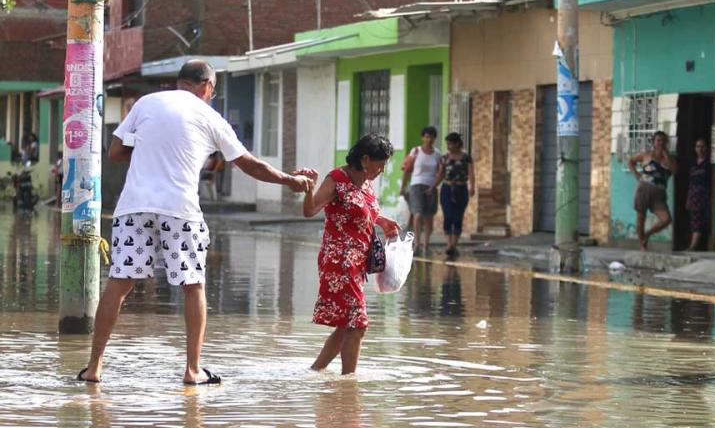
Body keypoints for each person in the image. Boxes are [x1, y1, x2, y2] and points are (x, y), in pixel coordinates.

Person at [76, 59, 315, 385]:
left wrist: (151, 150)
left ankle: (94, 368)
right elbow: (250, 165)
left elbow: (115, 151)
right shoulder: (209, 116)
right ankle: (192, 370)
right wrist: (291, 181)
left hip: (134, 208)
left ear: (180, 81)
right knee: (193, 286)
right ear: (207, 86)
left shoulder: (147, 102)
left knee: (118, 284)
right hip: (180, 211)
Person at [302, 133, 401, 375]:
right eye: (380, 164)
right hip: (339, 261)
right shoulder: (338, 178)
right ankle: (349, 385)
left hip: (358, 262)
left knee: (346, 325)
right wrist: (309, 189)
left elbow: (361, 212)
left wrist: (382, 221)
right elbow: (310, 210)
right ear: (365, 159)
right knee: (357, 325)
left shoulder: (365, 182)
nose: (382, 170)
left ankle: (315, 371)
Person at [628, 131, 678, 251]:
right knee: (641, 217)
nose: (660, 143)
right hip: (644, 189)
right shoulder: (646, 155)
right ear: (654, 142)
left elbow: (676, 171)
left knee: (666, 219)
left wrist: (667, 159)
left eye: (663, 141)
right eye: (658, 140)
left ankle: (647, 235)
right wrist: (636, 174)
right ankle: (642, 245)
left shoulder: (670, 158)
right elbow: (631, 161)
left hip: (659, 194)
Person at [431, 132, 474, 258]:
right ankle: (449, 244)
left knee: (458, 217)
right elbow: (440, 174)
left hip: (461, 189)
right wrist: (433, 187)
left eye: (450, 143)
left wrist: (472, 187)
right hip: (447, 189)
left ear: (457, 144)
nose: (449, 146)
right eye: (447, 144)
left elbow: (471, 173)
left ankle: (454, 245)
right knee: (448, 216)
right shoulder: (444, 158)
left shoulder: (466, 158)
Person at [400, 126, 441, 254]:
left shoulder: (437, 154)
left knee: (429, 216)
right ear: (423, 138)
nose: (429, 139)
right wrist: (403, 187)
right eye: (426, 136)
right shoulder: (416, 151)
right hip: (416, 185)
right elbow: (407, 169)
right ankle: (417, 244)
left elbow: (440, 172)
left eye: (431, 137)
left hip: (431, 186)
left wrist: (434, 186)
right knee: (417, 215)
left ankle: (426, 245)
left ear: (434, 139)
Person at [685, 139, 712, 251]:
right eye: (697, 146)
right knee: (693, 219)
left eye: (702, 146)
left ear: (706, 148)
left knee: (700, 220)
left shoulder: (708, 164)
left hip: (703, 195)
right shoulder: (693, 163)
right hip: (693, 195)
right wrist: (688, 198)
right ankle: (694, 244)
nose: (700, 149)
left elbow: (711, 181)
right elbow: (690, 182)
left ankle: (694, 246)